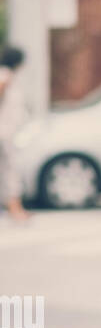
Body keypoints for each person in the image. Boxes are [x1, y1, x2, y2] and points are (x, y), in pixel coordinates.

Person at [0, 46, 32, 222]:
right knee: (10, 171)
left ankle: (14, 208)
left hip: (7, 132)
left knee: (7, 170)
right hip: (4, 133)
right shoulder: (5, 76)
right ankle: (15, 209)